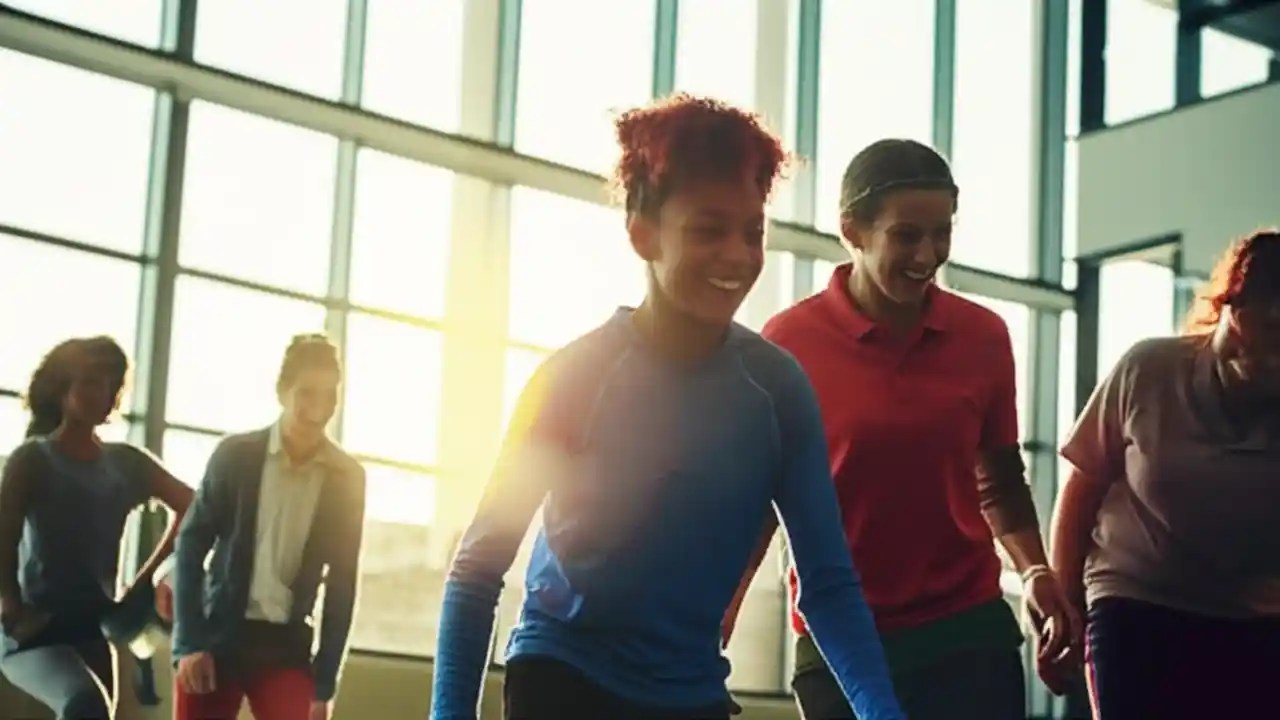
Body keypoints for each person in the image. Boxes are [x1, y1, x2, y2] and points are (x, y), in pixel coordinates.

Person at [430, 94, 905, 720]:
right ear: (642, 233)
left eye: (752, 233)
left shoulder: (777, 390)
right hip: (562, 679)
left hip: (690, 693)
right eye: (709, 230)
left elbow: (827, 586)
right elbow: (477, 570)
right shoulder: (573, 379)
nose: (738, 256)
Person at [723, 139, 1077, 720]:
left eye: (943, 233)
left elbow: (1000, 478)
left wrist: (1034, 569)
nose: (928, 253)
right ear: (852, 232)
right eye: (907, 235)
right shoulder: (789, 343)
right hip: (838, 632)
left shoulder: (983, 337)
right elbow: (760, 499)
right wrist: (722, 609)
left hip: (967, 631)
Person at [1048, 229, 1280, 718]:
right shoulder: (1148, 370)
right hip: (1136, 598)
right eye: (1274, 328)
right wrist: (1063, 608)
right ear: (1233, 312)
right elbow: (1081, 487)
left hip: (1254, 614)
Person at [170, 334, 366, 720]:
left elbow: (343, 584)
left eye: (330, 396)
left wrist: (324, 684)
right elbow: (191, 547)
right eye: (306, 394)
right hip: (217, 638)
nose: (318, 409)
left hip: (286, 649)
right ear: (281, 391)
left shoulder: (347, 478)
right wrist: (189, 644)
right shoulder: (235, 456)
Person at [0, 336, 193, 719]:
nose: (101, 391)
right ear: (63, 386)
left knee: (94, 712)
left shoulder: (125, 464)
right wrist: (10, 604)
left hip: (92, 627)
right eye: (90, 380)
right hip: (33, 632)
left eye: (111, 383)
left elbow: (194, 507)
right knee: (87, 706)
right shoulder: (32, 460)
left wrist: (144, 583)